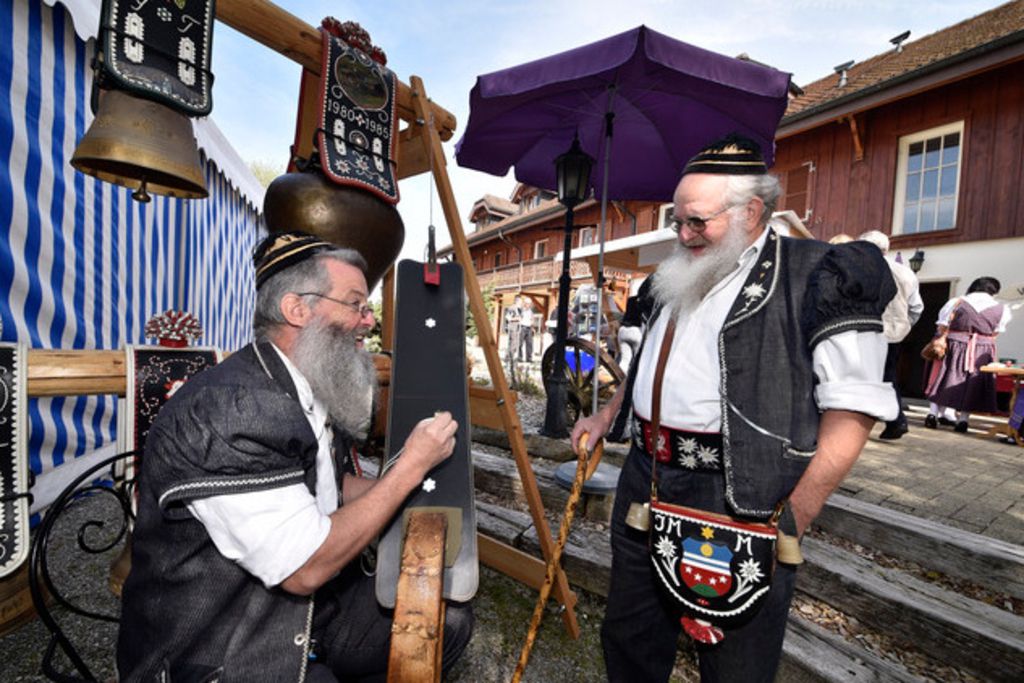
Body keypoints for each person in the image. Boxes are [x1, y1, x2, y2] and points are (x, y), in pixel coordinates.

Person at [570, 134, 897, 683]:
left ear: (751, 211)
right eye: (678, 221)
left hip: (738, 495)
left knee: (735, 663)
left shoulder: (817, 274)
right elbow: (646, 364)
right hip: (645, 478)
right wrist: (605, 419)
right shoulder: (666, 279)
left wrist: (794, 517)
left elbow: (855, 407)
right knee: (629, 637)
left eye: (697, 221)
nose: (683, 234)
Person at [118, 232, 472, 682]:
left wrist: (431, 481)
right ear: (296, 309)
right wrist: (410, 468)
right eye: (355, 304)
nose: (367, 322)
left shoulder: (303, 384)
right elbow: (305, 568)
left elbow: (326, 484)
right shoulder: (235, 410)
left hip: (306, 613)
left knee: (445, 622)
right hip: (220, 647)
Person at [924, 276, 1012, 433]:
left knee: (942, 377)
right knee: (973, 383)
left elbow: (942, 325)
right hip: (982, 349)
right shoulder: (1002, 308)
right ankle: (963, 420)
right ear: (994, 291)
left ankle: (932, 414)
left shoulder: (957, 302)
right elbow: (996, 332)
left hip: (953, 344)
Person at [858, 230, 924, 439]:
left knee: (862, 376)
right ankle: (894, 420)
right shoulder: (906, 273)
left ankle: (892, 420)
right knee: (887, 376)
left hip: (864, 330)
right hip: (894, 334)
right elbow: (916, 308)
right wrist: (904, 326)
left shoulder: (861, 269)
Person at [504, 296, 522, 361]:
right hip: (512, 327)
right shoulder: (512, 308)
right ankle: (508, 357)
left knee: (516, 343)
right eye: (520, 301)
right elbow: (508, 318)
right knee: (512, 343)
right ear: (517, 301)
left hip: (517, 328)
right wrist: (516, 319)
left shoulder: (519, 309)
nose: (521, 303)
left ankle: (511, 356)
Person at [518, 296, 535, 363]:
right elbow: (518, 318)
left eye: (530, 304)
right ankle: (520, 358)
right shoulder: (521, 310)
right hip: (522, 327)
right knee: (520, 343)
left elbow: (532, 319)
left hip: (529, 328)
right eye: (527, 303)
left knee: (529, 344)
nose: (529, 305)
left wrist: (533, 328)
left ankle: (529, 358)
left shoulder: (530, 311)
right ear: (525, 303)